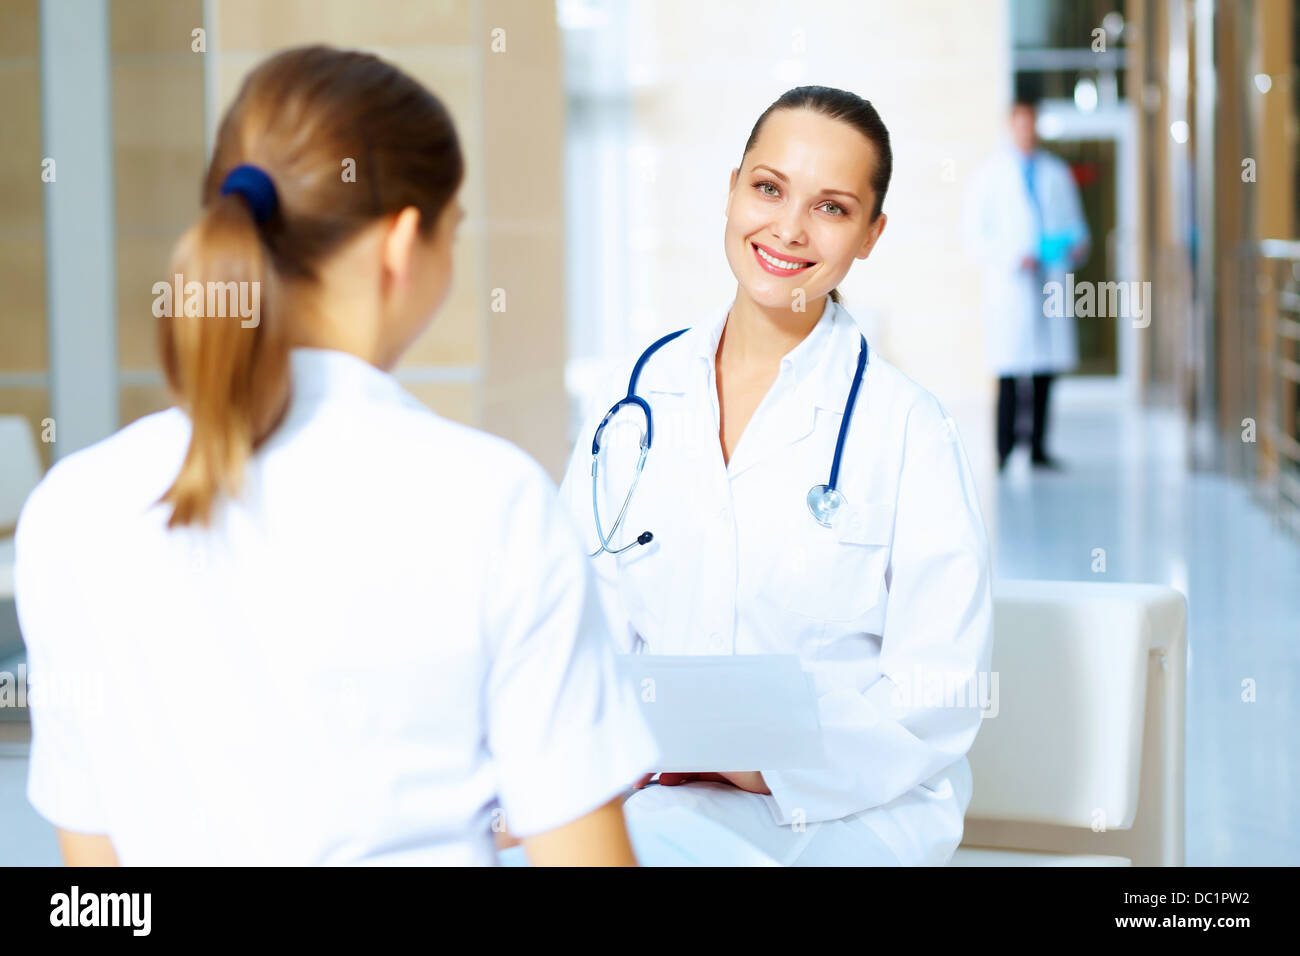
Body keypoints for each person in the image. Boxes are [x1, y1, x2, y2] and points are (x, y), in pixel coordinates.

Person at [14, 45, 657, 866]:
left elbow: (99, 884)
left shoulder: (75, 508)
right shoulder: (492, 503)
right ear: (402, 244)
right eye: (452, 232)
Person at [558, 87, 993, 866]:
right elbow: (582, 622)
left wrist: (761, 765)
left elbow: (941, 689)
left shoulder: (908, 430)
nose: (788, 228)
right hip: (657, 792)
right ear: (732, 189)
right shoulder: (633, 399)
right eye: (768, 188)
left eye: (831, 208)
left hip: (848, 812)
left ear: (870, 235)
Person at [963, 94, 1090, 471]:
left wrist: (1077, 243)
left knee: (1044, 371)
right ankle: (1003, 451)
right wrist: (1013, 256)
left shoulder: (1055, 173)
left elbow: (1075, 224)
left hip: (1049, 278)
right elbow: (974, 235)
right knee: (1009, 370)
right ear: (1010, 125)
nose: (1026, 129)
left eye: (1032, 122)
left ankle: (1037, 448)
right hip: (1012, 283)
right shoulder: (990, 175)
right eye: (1020, 122)